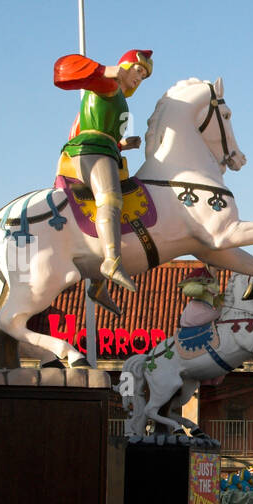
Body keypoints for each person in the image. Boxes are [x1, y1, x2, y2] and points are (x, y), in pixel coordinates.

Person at [53, 48, 153, 316]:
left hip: (107, 150)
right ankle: (110, 262)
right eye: (138, 71)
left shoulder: (119, 98)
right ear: (125, 66)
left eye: (143, 76)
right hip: (93, 150)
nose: (139, 79)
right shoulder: (107, 84)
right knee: (110, 200)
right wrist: (101, 69)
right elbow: (63, 68)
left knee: (114, 213)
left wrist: (122, 145)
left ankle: (98, 285)